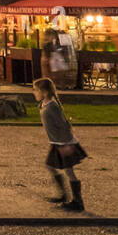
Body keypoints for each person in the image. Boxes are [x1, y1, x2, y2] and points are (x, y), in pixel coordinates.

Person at [33, 77, 88, 211]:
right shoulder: (45, 104)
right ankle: (64, 195)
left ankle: (77, 202)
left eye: (35, 90)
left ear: (44, 92)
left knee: (69, 171)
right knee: (50, 166)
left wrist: (66, 145)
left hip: (64, 143)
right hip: (57, 142)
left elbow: (64, 126)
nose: (34, 93)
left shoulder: (52, 107)